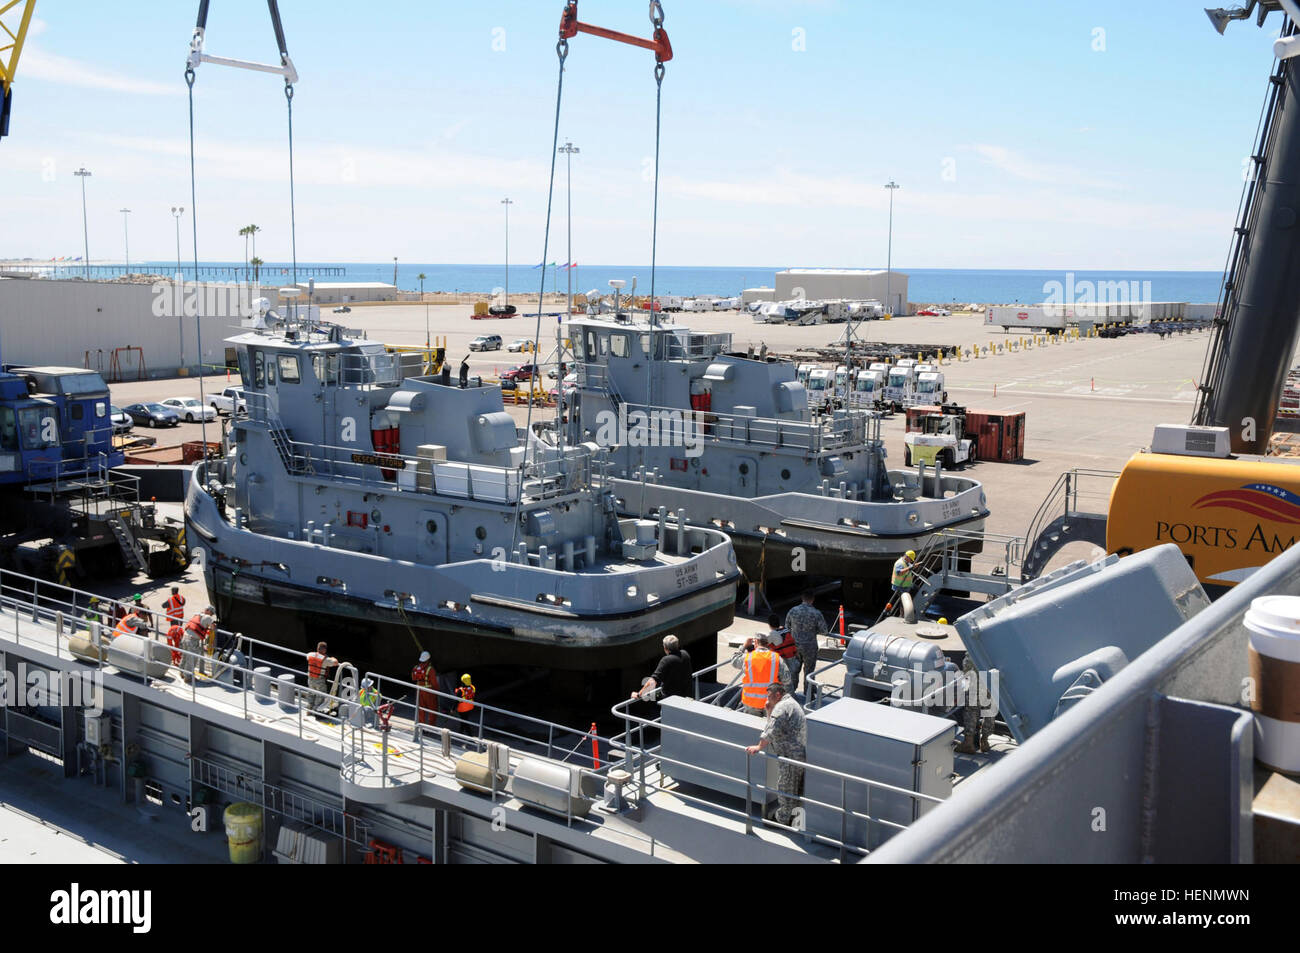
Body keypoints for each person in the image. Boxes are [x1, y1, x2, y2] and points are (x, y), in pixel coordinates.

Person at [746, 683, 807, 827]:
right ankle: (795, 819)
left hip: (790, 755)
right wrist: (768, 711)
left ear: (777, 695)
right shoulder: (789, 703)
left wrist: (759, 746)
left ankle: (781, 820)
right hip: (796, 754)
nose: (767, 699)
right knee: (795, 789)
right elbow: (776, 725)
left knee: (786, 787)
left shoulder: (781, 706)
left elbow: (771, 729)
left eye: (769, 696)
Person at [732, 631, 791, 716]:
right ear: (768, 643)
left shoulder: (748, 657)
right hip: (771, 701)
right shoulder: (776, 658)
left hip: (751, 702)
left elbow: (734, 660)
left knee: (751, 727)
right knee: (770, 727)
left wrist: (744, 646)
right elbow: (787, 680)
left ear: (755, 642)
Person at [784, 590, 828, 695]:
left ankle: (791, 692)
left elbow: (786, 628)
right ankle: (808, 693)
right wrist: (813, 630)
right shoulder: (816, 613)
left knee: (793, 670)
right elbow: (824, 631)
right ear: (812, 600)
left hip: (794, 646)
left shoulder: (793, 611)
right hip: (810, 648)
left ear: (802, 598)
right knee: (809, 671)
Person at [631, 634, 693, 702]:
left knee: (651, 693)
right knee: (655, 693)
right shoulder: (685, 654)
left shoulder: (666, 660)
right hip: (687, 697)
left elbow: (652, 681)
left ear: (665, 648)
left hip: (671, 700)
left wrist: (639, 695)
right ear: (677, 645)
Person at [178, 609, 214, 683]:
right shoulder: (208, 617)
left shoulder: (197, 614)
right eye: (212, 613)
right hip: (192, 640)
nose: (212, 615)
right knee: (192, 659)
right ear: (209, 612)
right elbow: (213, 627)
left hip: (185, 637)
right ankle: (188, 677)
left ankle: (181, 672)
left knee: (185, 655)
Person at [767, 613, 800, 687]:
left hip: (783, 661)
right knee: (790, 681)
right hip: (792, 659)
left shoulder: (773, 634)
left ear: (769, 624)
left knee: (784, 684)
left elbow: (764, 644)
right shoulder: (785, 630)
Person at [306, 642, 339, 712]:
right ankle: (316, 710)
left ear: (317, 648)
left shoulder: (310, 654)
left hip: (310, 679)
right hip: (319, 681)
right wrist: (332, 658)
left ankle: (309, 708)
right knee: (320, 695)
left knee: (311, 693)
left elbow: (308, 656)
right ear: (324, 650)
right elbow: (335, 663)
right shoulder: (325, 659)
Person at [885, 550, 917, 616]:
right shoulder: (900, 563)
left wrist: (913, 566)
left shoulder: (906, 562)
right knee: (903, 602)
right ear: (907, 557)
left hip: (905, 585)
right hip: (900, 586)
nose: (911, 561)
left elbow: (908, 567)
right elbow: (899, 573)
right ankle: (902, 615)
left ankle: (905, 613)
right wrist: (910, 567)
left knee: (915, 590)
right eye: (911, 559)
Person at [411, 651, 438, 726]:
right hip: (429, 691)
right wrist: (437, 691)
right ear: (428, 659)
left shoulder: (415, 668)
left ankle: (421, 725)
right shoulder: (430, 669)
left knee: (421, 709)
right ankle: (431, 726)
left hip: (419, 690)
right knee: (432, 709)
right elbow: (434, 683)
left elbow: (413, 678)